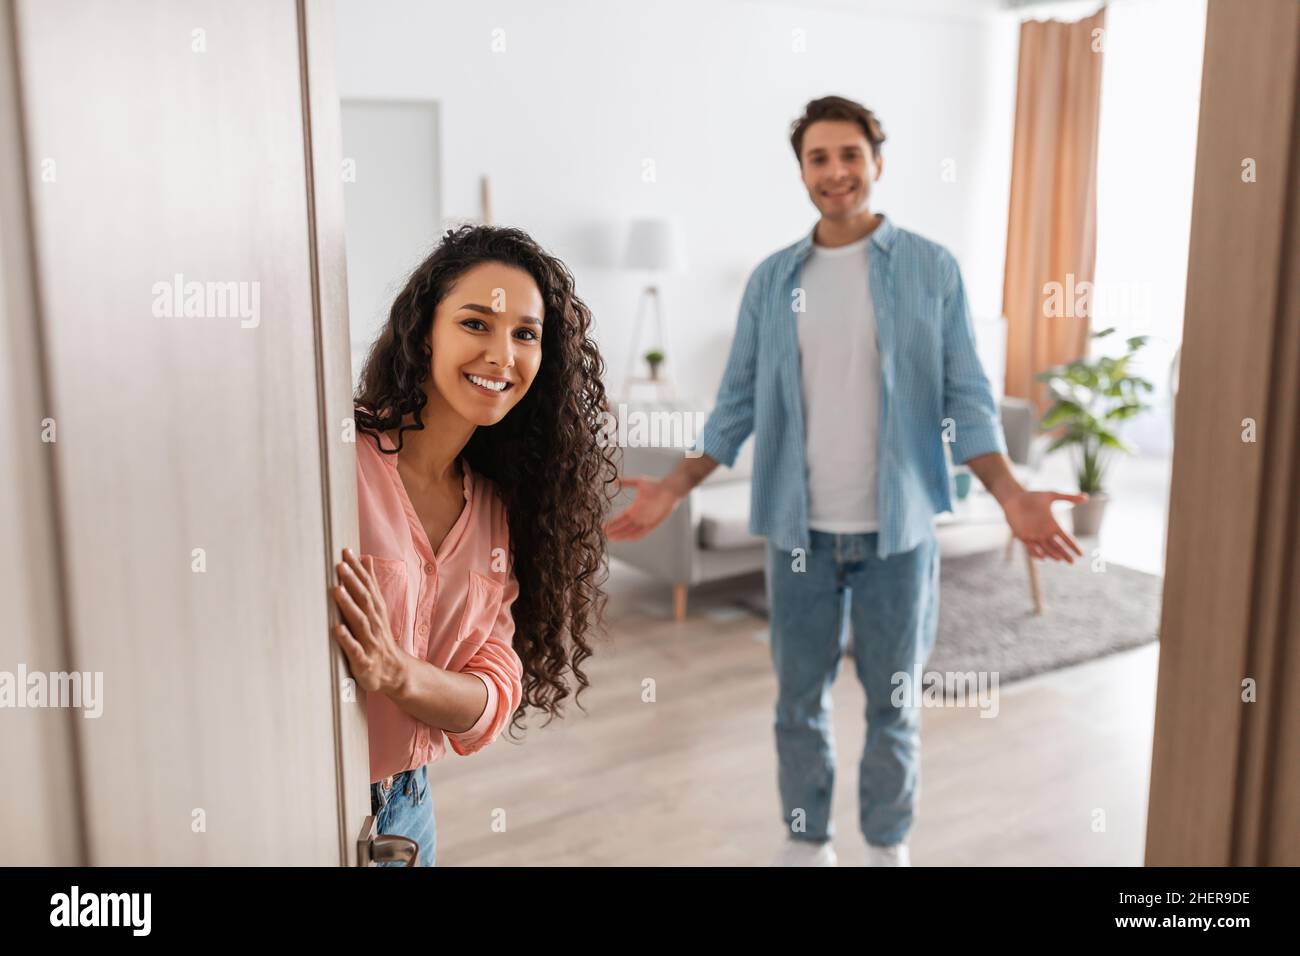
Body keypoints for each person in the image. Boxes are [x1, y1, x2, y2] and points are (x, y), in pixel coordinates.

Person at [606, 96, 1086, 867]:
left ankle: (888, 844)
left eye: (849, 154)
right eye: (819, 158)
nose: (836, 172)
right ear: (801, 172)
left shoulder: (931, 269)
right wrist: (677, 485)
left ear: (877, 162)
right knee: (800, 703)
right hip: (800, 536)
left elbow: (966, 397)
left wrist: (1009, 493)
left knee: (894, 705)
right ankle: (807, 841)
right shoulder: (772, 281)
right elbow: (736, 401)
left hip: (899, 536)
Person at [331, 225, 616, 866]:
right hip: (316, 799)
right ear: (425, 330)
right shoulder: (341, 464)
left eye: (525, 334)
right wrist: (433, 687)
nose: (502, 354)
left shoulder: (492, 509)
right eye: (476, 323)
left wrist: (402, 677)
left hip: (408, 809)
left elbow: (495, 689)